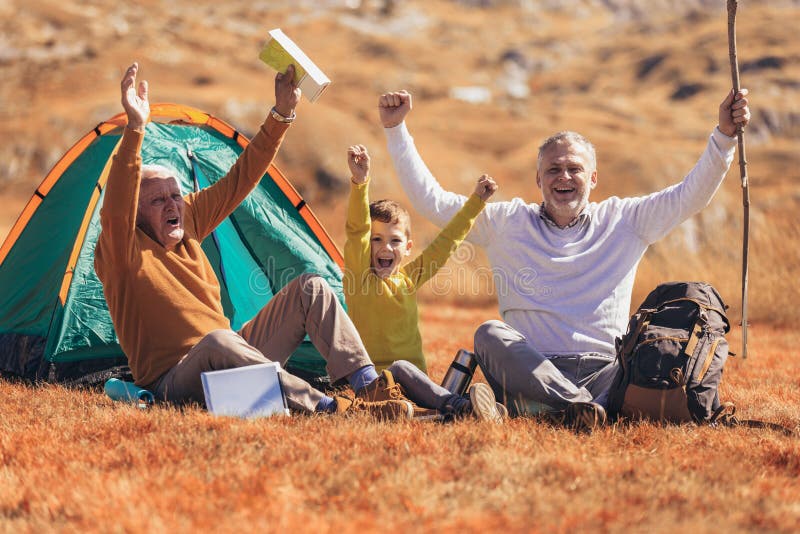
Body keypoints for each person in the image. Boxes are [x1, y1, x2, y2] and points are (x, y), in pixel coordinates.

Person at [378, 88, 751, 430]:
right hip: (528, 369)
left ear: (593, 179)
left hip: (606, 371)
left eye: (574, 168)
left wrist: (723, 137)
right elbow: (434, 202)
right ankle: (578, 408)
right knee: (489, 335)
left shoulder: (625, 220)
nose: (564, 176)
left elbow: (689, 196)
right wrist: (397, 131)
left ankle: (549, 410)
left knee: (634, 359)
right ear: (538, 180)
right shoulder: (506, 221)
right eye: (553, 169)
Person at [95, 62, 424, 420]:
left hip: (234, 356)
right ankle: (333, 407)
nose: (173, 204)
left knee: (310, 288)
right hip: (175, 381)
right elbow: (115, 208)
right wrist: (136, 128)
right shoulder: (122, 249)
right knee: (218, 341)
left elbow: (242, 176)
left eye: (176, 195)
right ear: (136, 213)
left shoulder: (187, 220)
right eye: (158, 200)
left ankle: (370, 387)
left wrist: (282, 114)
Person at [343, 144, 505, 421]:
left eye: (394, 241)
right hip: (378, 384)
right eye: (377, 240)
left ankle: (443, 414)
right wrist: (361, 182)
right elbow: (357, 229)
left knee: (459, 361)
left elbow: (446, 243)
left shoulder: (409, 279)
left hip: (417, 386)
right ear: (365, 247)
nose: (385, 247)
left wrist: (476, 202)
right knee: (401, 368)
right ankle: (463, 406)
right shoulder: (360, 277)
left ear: (407, 248)